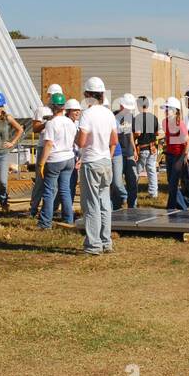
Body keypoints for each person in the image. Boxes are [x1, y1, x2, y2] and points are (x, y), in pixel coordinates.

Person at [77, 77, 118, 255]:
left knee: (91, 204)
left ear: (88, 95)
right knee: (104, 203)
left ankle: (93, 245)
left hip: (91, 162)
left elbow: (82, 141)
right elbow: (114, 140)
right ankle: (105, 241)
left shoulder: (87, 114)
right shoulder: (108, 113)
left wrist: (77, 139)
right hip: (105, 161)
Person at [36, 95, 77, 229]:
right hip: (69, 158)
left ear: (52, 107)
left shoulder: (51, 123)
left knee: (49, 191)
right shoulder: (70, 122)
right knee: (65, 189)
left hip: (55, 159)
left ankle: (45, 223)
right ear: (63, 107)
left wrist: (41, 163)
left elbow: (48, 144)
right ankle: (68, 219)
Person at [28, 97, 57, 219]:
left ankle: (48, 210)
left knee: (53, 183)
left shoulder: (62, 112)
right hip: (43, 146)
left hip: (55, 149)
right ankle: (33, 209)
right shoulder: (41, 111)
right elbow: (35, 129)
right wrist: (47, 122)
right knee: (40, 180)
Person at [162, 97, 189, 210]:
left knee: (173, 184)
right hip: (169, 156)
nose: (166, 111)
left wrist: (182, 158)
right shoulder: (165, 122)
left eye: (168, 109)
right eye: (166, 109)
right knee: (171, 183)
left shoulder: (180, 124)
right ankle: (182, 207)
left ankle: (172, 208)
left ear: (175, 110)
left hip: (178, 156)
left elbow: (188, 142)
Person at [114, 94, 139, 208]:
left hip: (129, 153)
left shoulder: (130, 117)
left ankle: (132, 206)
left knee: (132, 182)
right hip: (117, 154)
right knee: (116, 182)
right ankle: (116, 206)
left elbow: (131, 135)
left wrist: (134, 149)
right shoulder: (113, 117)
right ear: (121, 106)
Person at [133, 95, 159, 201]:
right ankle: (153, 193)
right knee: (152, 171)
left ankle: (132, 190)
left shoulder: (138, 118)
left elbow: (138, 133)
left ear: (139, 105)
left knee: (136, 171)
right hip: (152, 148)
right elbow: (157, 132)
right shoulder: (154, 117)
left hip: (142, 148)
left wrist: (132, 137)